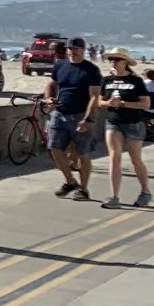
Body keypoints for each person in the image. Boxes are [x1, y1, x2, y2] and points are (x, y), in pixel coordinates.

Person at [92, 48, 153, 208]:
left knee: (135, 159)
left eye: (117, 59)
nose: (113, 62)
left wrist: (123, 104)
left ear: (125, 62)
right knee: (114, 157)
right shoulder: (106, 80)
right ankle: (114, 196)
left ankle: (145, 191)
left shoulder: (135, 81)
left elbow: (145, 103)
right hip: (113, 122)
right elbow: (99, 101)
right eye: (111, 59)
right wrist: (109, 103)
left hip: (134, 123)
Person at [44, 38, 103, 198]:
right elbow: (51, 84)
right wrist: (48, 99)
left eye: (76, 49)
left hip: (80, 115)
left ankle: (83, 189)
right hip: (59, 113)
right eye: (70, 48)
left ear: (83, 50)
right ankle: (70, 181)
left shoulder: (91, 70)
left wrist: (87, 119)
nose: (72, 51)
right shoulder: (60, 65)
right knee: (54, 148)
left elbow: (94, 97)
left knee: (83, 154)